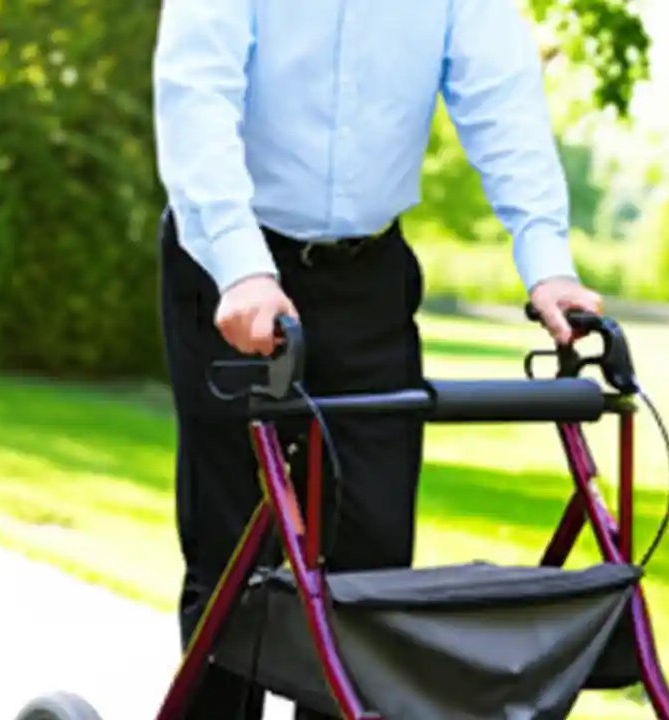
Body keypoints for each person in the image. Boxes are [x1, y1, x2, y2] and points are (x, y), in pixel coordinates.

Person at [152, 0, 604, 717]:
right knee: (232, 558)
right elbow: (197, 97)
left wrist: (547, 263)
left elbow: (503, 103)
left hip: (368, 278)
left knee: (373, 562)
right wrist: (242, 266)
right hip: (229, 266)